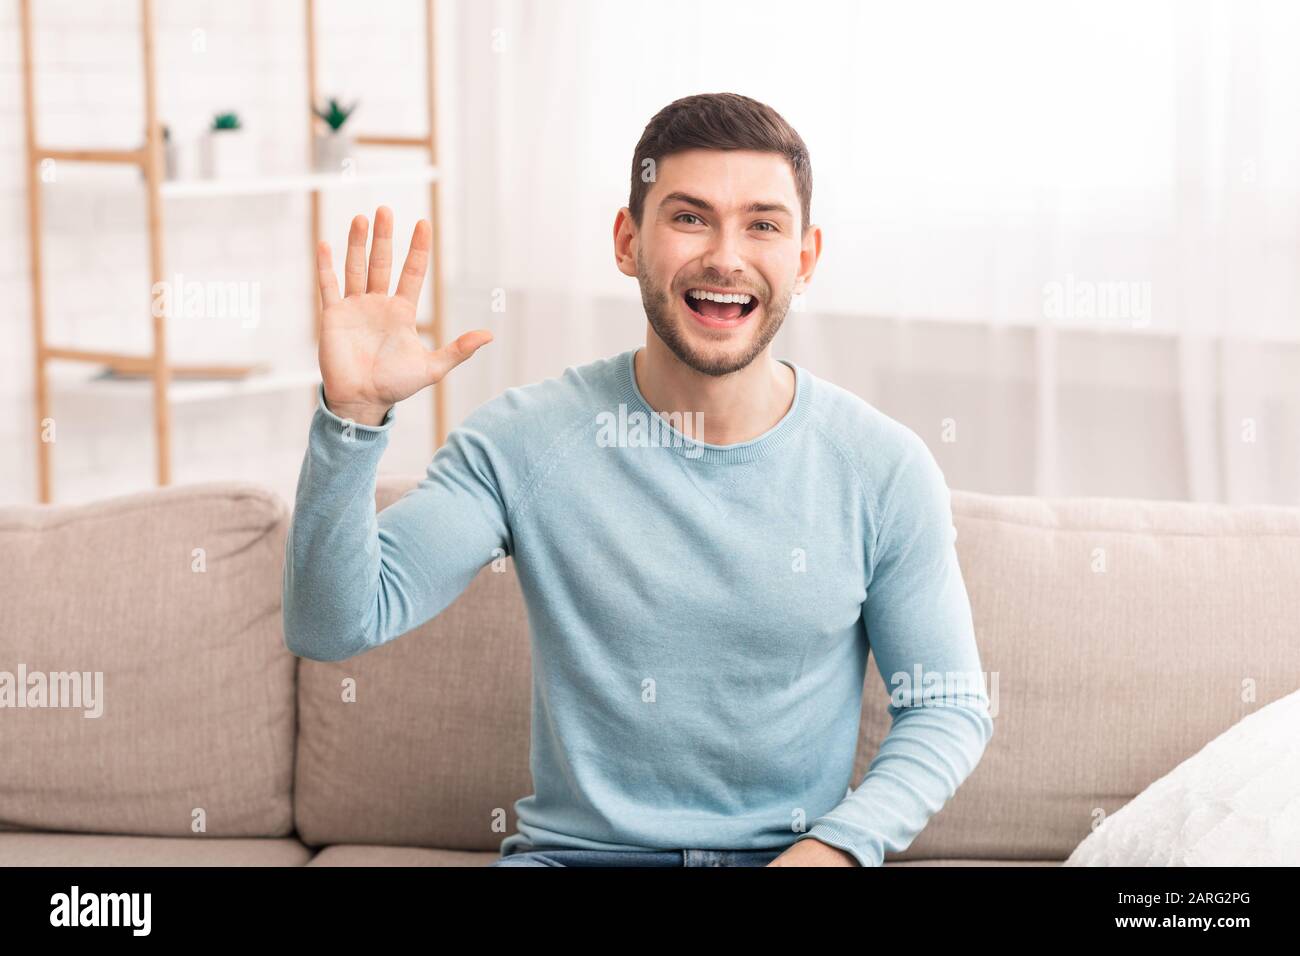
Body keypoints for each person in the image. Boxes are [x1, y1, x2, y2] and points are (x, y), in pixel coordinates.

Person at [283, 92, 994, 868]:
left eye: (763, 224)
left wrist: (835, 850)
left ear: (805, 257)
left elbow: (947, 707)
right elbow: (333, 626)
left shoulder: (883, 468)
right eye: (689, 217)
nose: (726, 255)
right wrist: (351, 421)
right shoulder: (522, 441)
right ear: (628, 241)